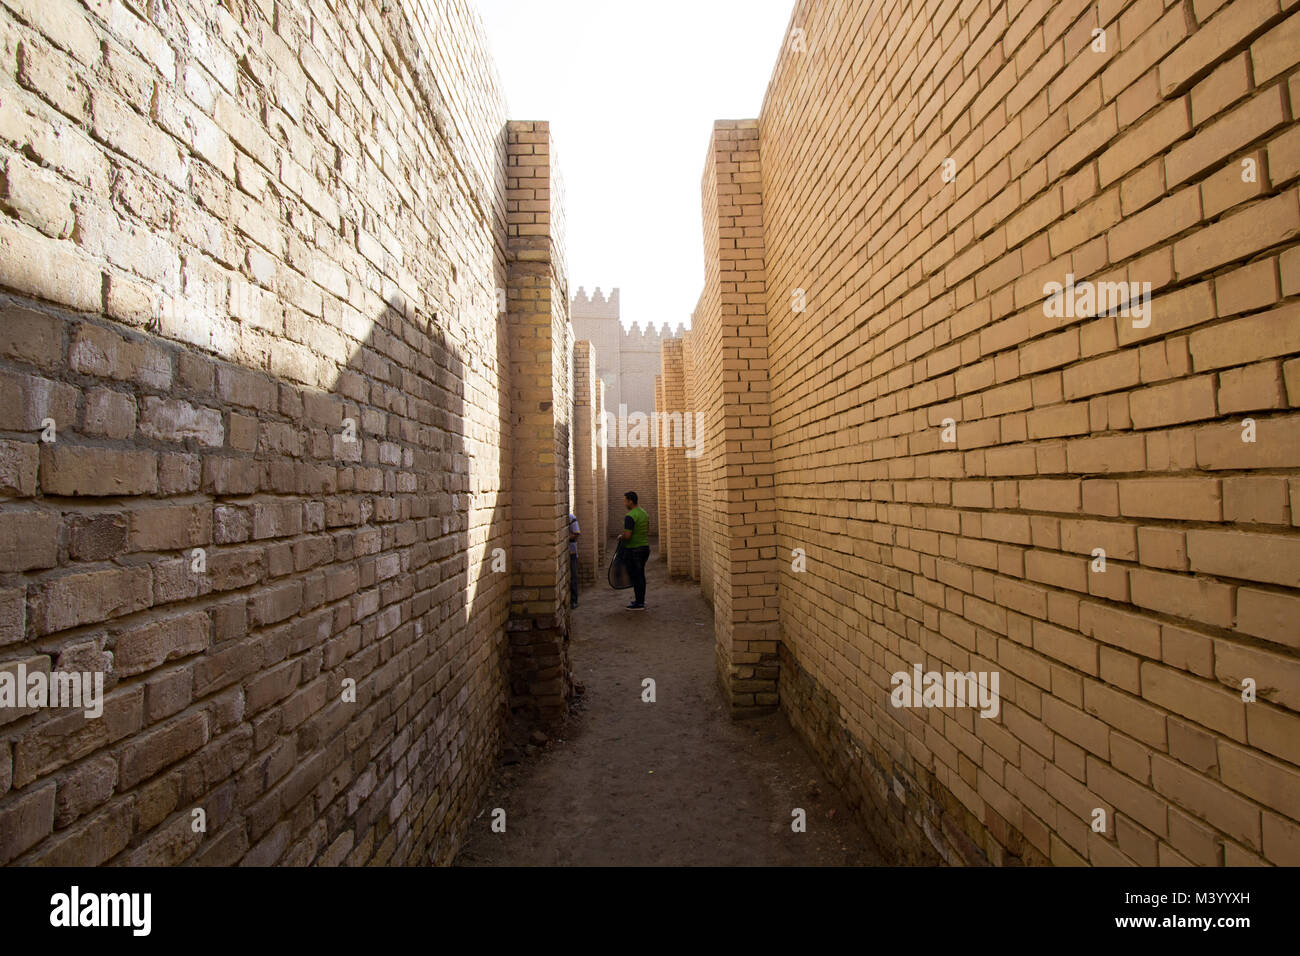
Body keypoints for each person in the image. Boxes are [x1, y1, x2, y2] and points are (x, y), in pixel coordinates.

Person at [619, 491, 650, 610]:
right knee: (641, 575)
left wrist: (620, 537)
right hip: (644, 548)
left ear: (630, 501)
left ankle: (639, 604)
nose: (624, 503)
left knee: (636, 576)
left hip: (634, 550)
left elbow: (627, 536)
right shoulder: (644, 513)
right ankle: (641, 600)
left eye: (625, 500)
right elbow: (647, 530)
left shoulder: (630, 516)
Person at [568, 511, 581, 608]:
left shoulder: (571, 517)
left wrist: (564, 539)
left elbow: (576, 533)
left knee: (573, 576)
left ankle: (574, 600)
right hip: (564, 552)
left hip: (571, 552)